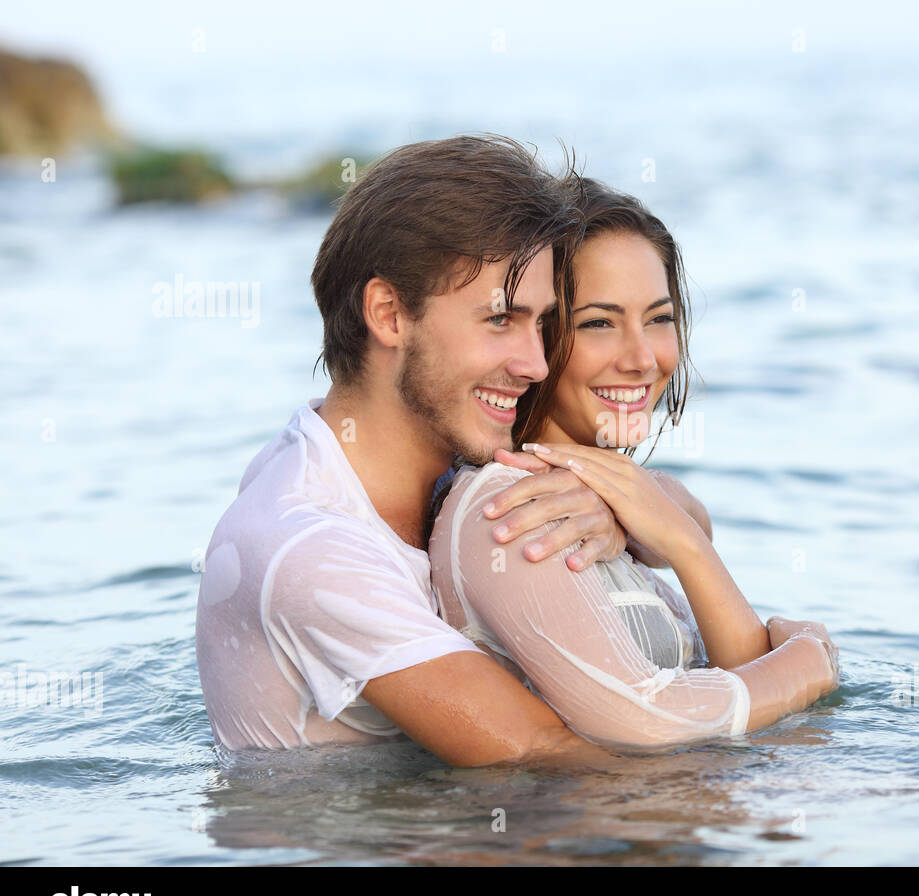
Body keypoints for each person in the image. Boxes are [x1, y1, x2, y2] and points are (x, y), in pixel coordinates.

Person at [196, 136, 643, 766]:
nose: (537, 363)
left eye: (541, 323)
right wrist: (808, 665)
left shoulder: (448, 459)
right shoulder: (309, 544)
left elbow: (677, 513)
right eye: (500, 320)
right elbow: (551, 757)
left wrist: (620, 505)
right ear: (389, 313)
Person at [428, 177, 839, 752]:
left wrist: (660, 514)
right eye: (599, 322)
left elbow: (747, 718)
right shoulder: (512, 511)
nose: (643, 358)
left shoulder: (603, 507)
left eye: (659, 319)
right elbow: (652, 729)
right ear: (537, 335)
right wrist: (810, 659)